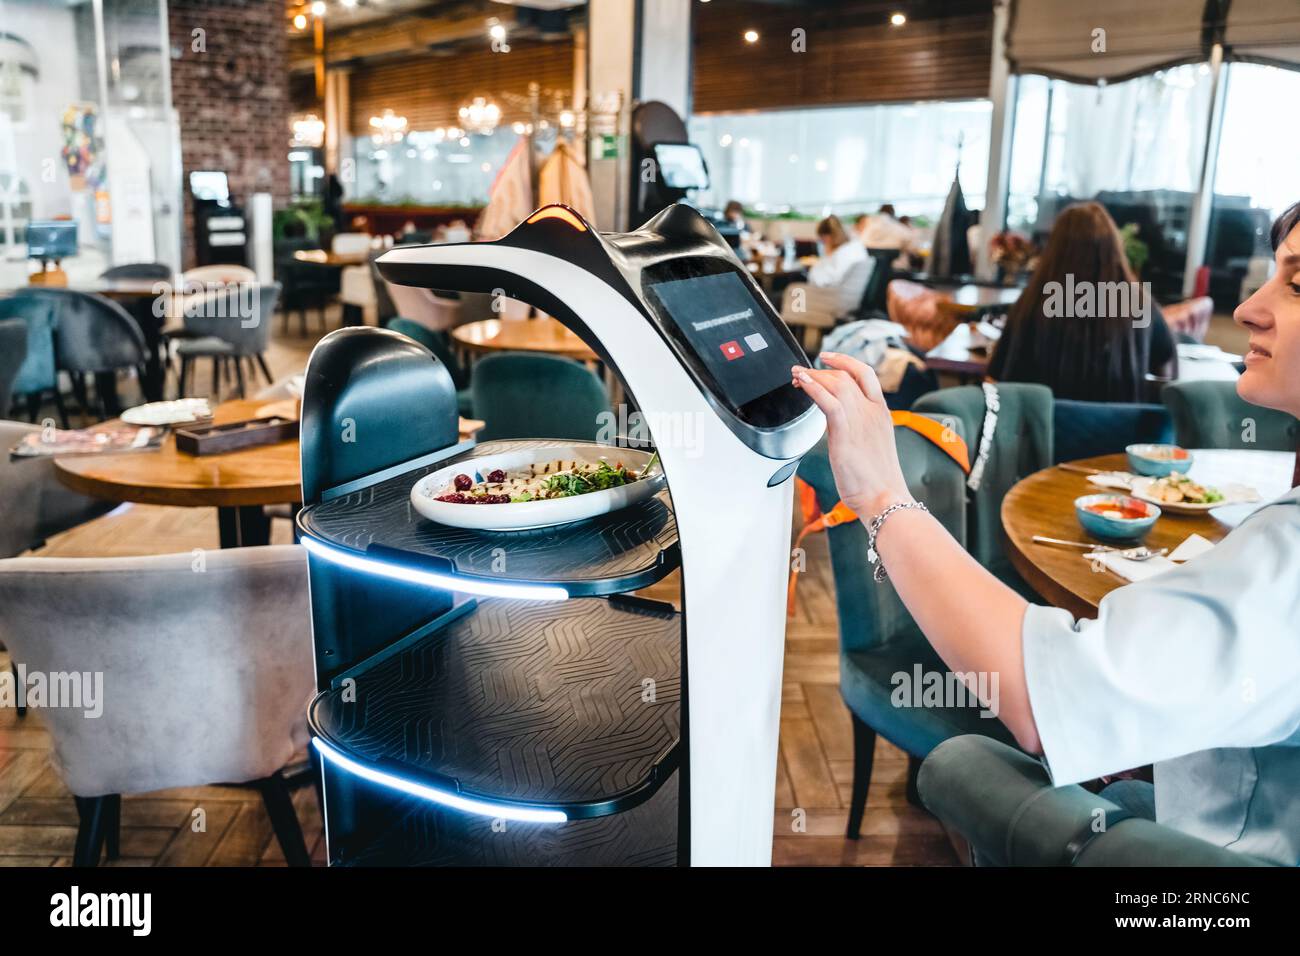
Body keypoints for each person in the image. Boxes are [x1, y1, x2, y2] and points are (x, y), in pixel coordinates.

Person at [790, 201, 1300, 865]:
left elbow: (1046, 693)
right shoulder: (1140, 305)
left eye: (1298, 281)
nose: (1251, 310)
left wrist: (882, 493)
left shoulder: (1283, 559)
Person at [987, 202, 1176, 402]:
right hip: (1122, 431)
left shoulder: (1032, 303)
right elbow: (1166, 375)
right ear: (1113, 249)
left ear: (1055, 250)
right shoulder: (1137, 303)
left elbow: (999, 382)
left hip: (1047, 430)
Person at [807, 215, 867, 288]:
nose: (823, 243)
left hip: (833, 296)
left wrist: (825, 257)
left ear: (827, 237)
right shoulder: (856, 247)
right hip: (854, 294)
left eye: (822, 240)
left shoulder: (841, 254)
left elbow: (819, 282)